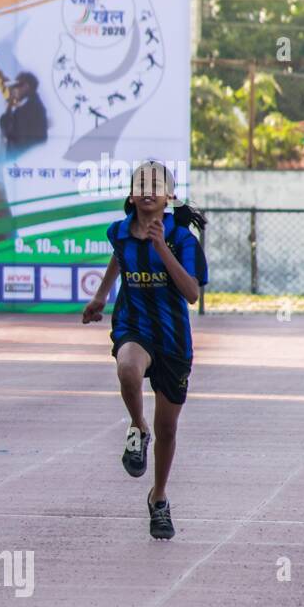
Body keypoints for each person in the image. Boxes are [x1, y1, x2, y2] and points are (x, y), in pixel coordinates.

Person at [82, 161, 208, 540]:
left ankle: (159, 498)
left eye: (158, 184)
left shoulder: (182, 239)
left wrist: (160, 247)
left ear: (169, 195)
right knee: (127, 369)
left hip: (173, 340)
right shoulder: (118, 232)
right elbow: (119, 260)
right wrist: (101, 296)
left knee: (168, 428)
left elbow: (191, 294)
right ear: (132, 194)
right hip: (133, 325)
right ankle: (137, 428)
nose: (149, 189)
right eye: (141, 183)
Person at [0, 72, 48, 151]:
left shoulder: (30, 109)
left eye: (16, 87)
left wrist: (10, 106)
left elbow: (9, 132)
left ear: (25, 87)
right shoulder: (32, 106)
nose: (13, 90)